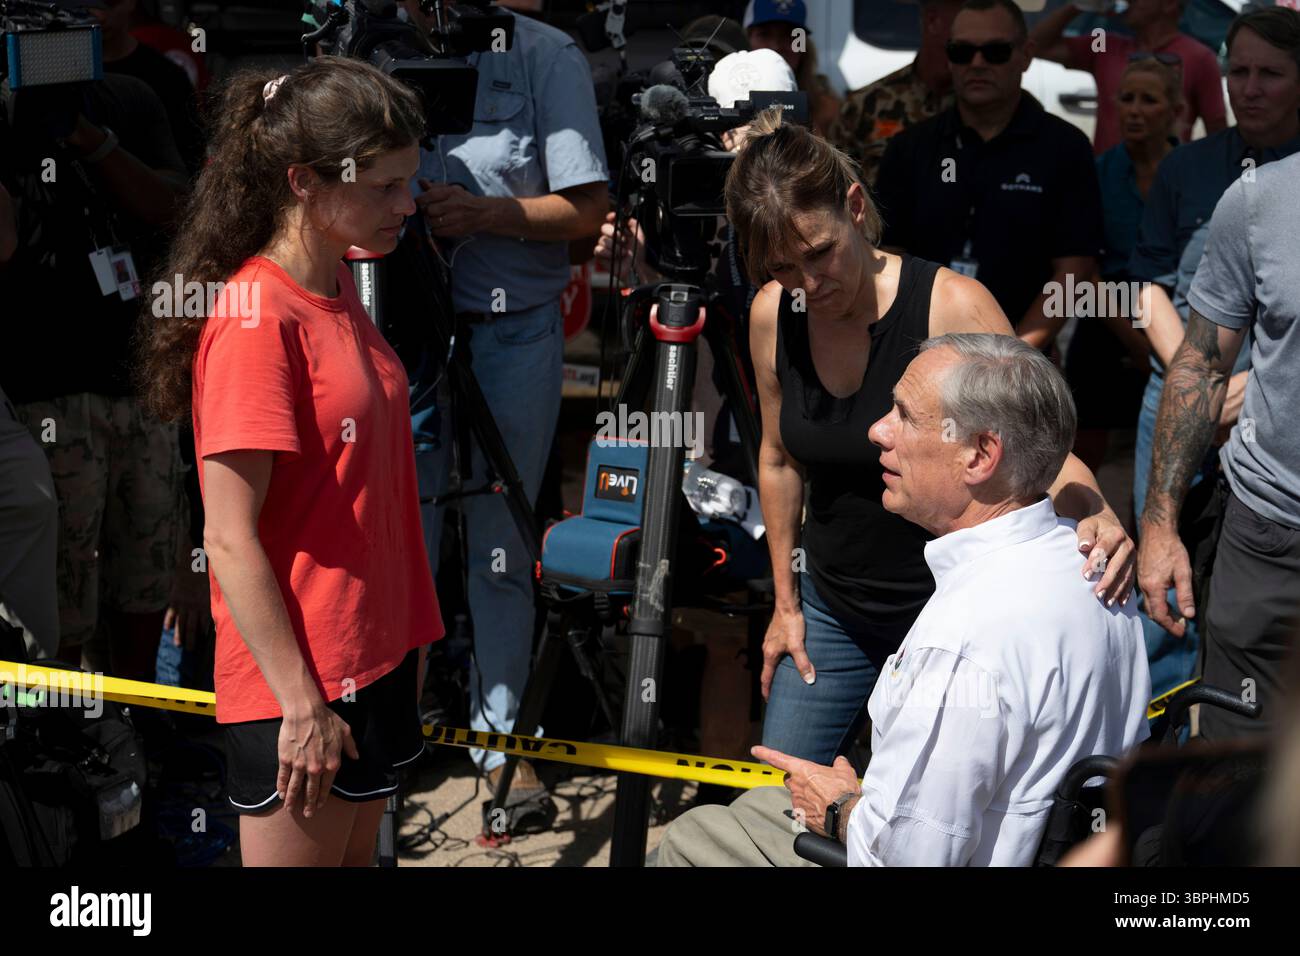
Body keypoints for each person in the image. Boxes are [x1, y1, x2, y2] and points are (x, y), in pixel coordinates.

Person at [725, 106, 1134, 768]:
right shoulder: (774, 315)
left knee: (926, 815)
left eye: (819, 254)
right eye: (782, 270)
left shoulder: (952, 305)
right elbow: (777, 459)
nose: (808, 284)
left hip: (951, 617)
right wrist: (785, 603)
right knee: (785, 803)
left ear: (855, 207)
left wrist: (1094, 507)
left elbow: (1038, 445)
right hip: (832, 609)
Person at [657, 334, 1151, 866]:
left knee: (694, 834)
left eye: (905, 416)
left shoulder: (962, 643)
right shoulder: (1092, 569)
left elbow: (905, 857)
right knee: (759, 804)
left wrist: (840, 807)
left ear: (981, 455)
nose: (877, 430)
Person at [139, 59, 444, 866]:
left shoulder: (339, 283)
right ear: (305, 182)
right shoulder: (254, 317)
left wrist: (408, 641)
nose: (407, 205)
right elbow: (230, 538)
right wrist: (303, 705)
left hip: (368, 665)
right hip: (300, 688)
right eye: (385, 186)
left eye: (410, 182)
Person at [401, 0, 609, 816]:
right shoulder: (366, 43)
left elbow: (587, 213)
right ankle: (396, 725)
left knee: (501, 540)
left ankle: (501, 742)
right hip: (395, 332)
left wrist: (483, 215)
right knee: (401, 537)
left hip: (511, 329)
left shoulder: (544, 53)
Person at [0, 37, 190, 681]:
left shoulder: (129, 96)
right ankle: (65, 741)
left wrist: (88, 138)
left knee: (146, 572)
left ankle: (136, 726)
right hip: (41, 384)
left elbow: (175, 206)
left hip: (138, 376)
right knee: (59, 587)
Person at [1128, 6, 1300, 697]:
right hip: (1179, 399)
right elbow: (1145, 287)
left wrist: (1253, 385)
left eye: (1271, 74)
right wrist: (1198, 380)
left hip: (1263, 405)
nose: (1250, 88)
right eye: (1240, 71)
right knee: (1167, 595)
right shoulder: (1190, 170)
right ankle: (1163, 759)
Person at [872, 0, 1104, 353]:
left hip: (1022, 360)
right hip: (918, 352)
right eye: (962, 51)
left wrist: (1017, 352)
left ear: (1025, 55)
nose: (977, 63)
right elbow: (887, 257)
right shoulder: (909, 148)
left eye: (995, 51)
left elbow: (1074, 270)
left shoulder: (1065, 148)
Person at [1064, 58, 1181, 472]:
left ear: (1175, 110)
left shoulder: (1190, 173)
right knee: (1088, 453)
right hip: (1105, 320)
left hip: (1175, 323)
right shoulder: (1098, 173)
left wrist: (1157, 339)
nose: (1134, 110)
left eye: (1148, 100)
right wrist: (1135, 340)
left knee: (1165, 451)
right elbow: (1084, 269)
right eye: (1126, 98)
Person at [1030, 0, 1226, 154]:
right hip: (1107, 186)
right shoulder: (1105, 46)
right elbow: (1035, 46)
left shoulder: (1200, 58)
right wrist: (1079, 5)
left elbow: (1217, 137)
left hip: (1166, 186)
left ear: (1169, 4)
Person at [826, 0, 962, 185]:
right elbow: (830, 188)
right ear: (932, 21)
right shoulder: (866, 105)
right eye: (966, 17)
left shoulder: (988, 106)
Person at [742, 0, 841, 137]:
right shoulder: (725, 101)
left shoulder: (827, 110)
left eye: (790, 35)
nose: (776, 46)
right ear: (746, 40)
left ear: (804, 46)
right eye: (764, 34)